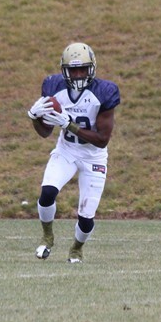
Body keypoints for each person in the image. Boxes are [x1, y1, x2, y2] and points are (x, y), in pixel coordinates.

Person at [26, 42, 120, 263]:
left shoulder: (105, 92)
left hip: (93, 157)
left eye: (83, 69)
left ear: (92, 68)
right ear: (64, 70)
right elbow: (45, 132)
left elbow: (102, 141)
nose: (78, 75)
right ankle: (47, 236)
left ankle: (76, 249)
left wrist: (70, 125)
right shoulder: (53, 87)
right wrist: (33, 118)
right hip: (66, 151)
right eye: (73, 70)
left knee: (86, 217)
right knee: (47, 192)